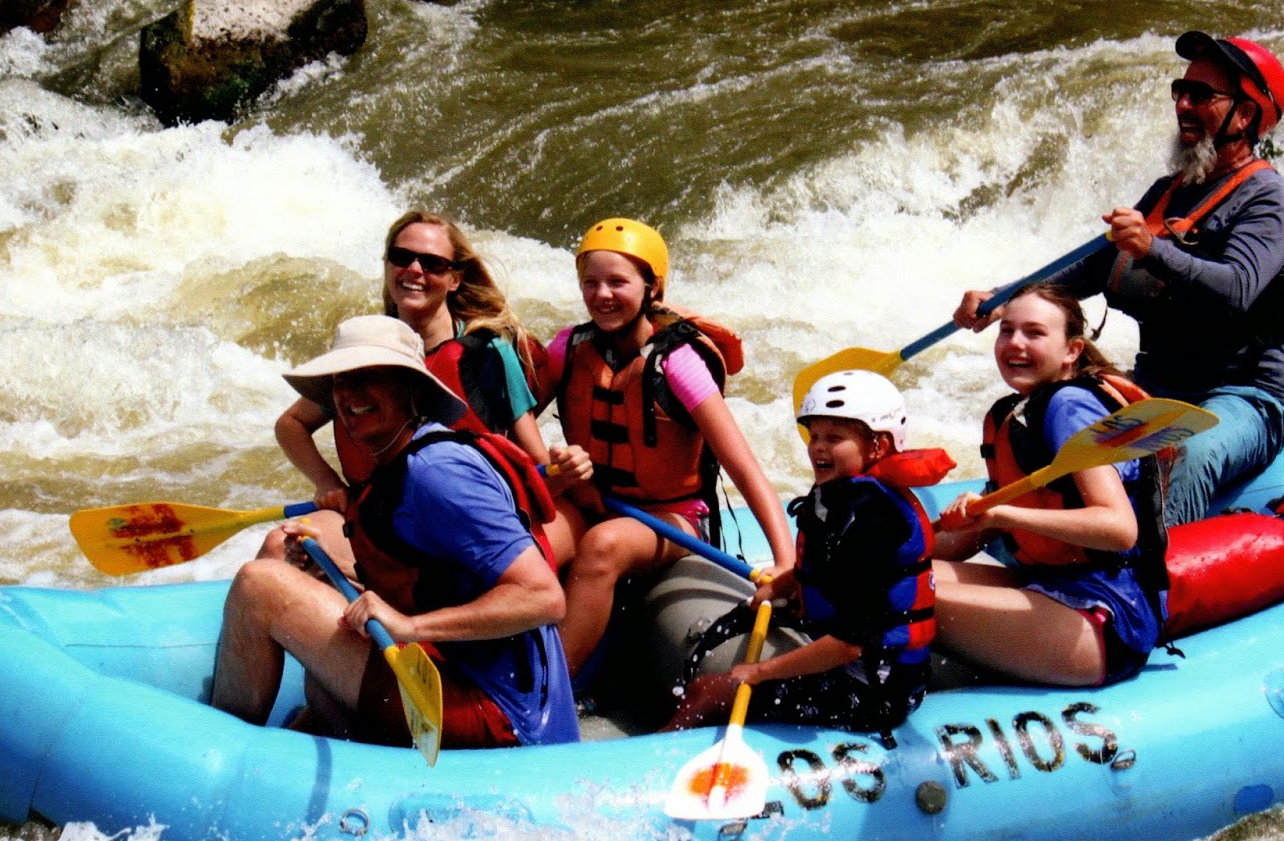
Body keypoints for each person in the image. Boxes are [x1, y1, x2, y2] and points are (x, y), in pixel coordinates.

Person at [955, 32, 1284, 525]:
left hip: (1241, 397)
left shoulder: (1271, 202)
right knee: (1058, 435)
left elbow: (1236, 290)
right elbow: (1091, 268)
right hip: (1155, 390)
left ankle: (1147, 585)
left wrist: (1151, 248)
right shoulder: (1168, 193)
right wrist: (1003, 298)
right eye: (1179, 91)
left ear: (1246, 115)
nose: (1183, 104)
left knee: (1186, 452)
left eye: (1201, 96)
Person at [212, 315, 579, 748]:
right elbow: (423, 578)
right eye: (342, 381)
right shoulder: (398, 461)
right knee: (292, 570)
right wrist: (330, 571)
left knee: (259, 587)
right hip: (457, 680)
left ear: (411, 390)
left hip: (500, 715)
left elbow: (543, 598)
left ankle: (218, 757)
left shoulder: (437, 472)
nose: (349, 395)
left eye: (369, 377)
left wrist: (411, 626)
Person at [538, 218, 795, 675]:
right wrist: (551, 470)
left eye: (618, 281)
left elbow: (744, 468)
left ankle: (549, 692)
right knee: (527, 540)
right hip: (595, 501)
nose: (602, 294)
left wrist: (786, 560)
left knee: (602, 545)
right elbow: (514, 420)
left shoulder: (677, 363)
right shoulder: (568, 348)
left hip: (675, 518)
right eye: (590, 283)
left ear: (651, 288)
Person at [269, 210, 589, 571]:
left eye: (433, 263)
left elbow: (535, 461)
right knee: (277, 547)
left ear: (454, 279)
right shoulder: (368, 350)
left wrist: (568, 468)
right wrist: (326, 482)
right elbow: (291, 424)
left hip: (464, 519)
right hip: (380, 517)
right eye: (402, 257)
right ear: (388, 265)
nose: (415, 270)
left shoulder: (488, 353)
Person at [666, 371, 954, 734]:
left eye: (835, 438)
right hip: (843, 651)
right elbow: (826, 570)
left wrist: (759, 672)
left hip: (873, 690)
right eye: (814, 436)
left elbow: (849, 645)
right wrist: (786, 582)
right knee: (721, 632)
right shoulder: (841, 496)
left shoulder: (874, 525)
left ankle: (657, 752)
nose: (818, 446)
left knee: (708, 692)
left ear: (878, 446)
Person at [932, 285, 1168, 687]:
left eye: (1034, 333)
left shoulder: (1068, 407)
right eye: (1007, 331)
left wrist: (1001, 512)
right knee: (880, 572)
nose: (1015, 344)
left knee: (883, 593)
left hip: (1104, 616)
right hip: (1052, 586)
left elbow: (1118, 529)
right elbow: (983, 529)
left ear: (1072, 350)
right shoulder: (1019, 411)